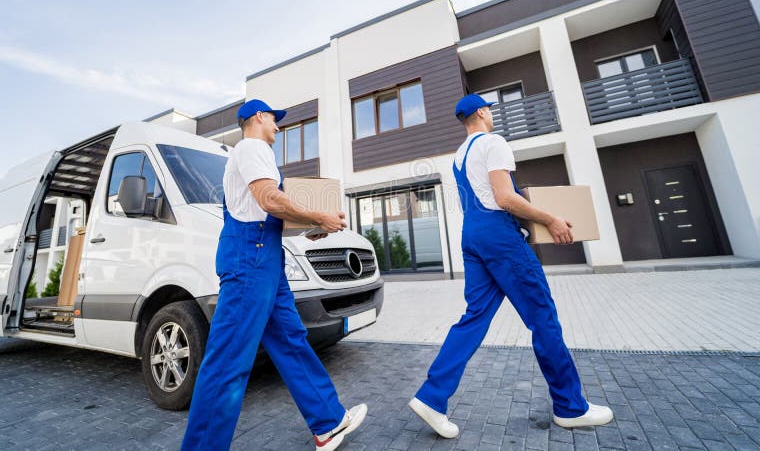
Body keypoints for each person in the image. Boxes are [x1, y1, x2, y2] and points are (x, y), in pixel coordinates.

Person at [408, 93, 613, 437]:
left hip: (472, 234)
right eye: (490, 108)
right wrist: (552, 219)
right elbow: (504, 197)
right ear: (483, 112)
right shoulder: (494, 142)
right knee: (542, 316)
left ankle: (432, 397)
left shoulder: (459, 156)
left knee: (474, 317)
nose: (492, 113)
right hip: (498, 235)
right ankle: (570, 407)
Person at [181, 99, 367, 450]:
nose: (278, 128)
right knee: (229, 359)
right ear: (258, 118)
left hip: (264, 256)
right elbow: (268, 198)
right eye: (274, 120)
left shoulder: (252, 153)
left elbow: (267, 215)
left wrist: (312, 228)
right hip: (250, 259)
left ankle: (328, 423)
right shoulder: (252, 147)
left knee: (290, 340)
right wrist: (316, 216)